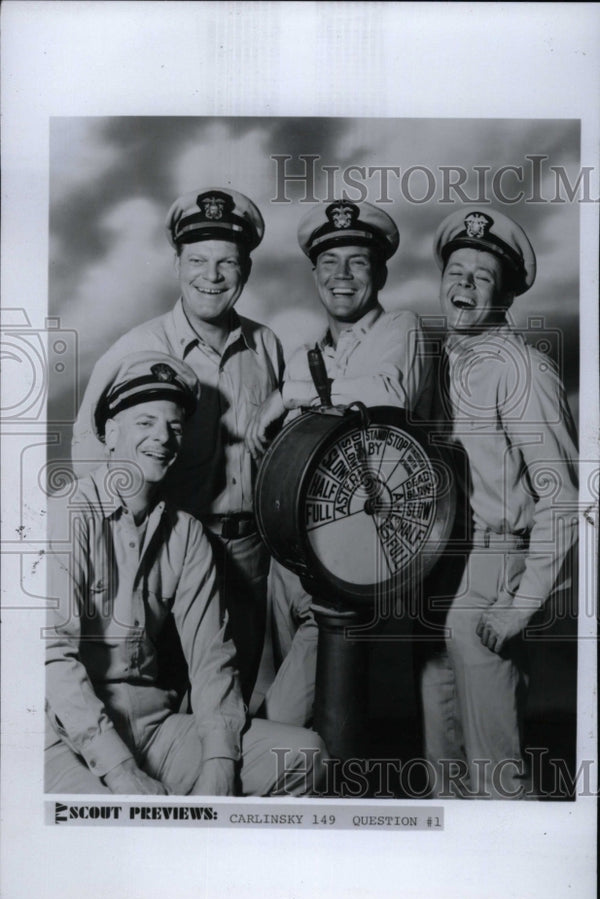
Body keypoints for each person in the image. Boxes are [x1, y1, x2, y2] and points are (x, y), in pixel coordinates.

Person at [45, 352, 326, 796]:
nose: (162, 437)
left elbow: (213, 660)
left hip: (155, 728)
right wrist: (120, 772)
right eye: (145, 423)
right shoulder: (67, 513)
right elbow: (52, 660)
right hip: (67, 736)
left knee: (302, 755)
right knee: (113, 821)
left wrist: (218, 764)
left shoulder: (187, 534)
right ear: (110, 431)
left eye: (175, 427)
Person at [71, 188, 284, 703]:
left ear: (246, 270)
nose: (211, 276)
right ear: (176, 264)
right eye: (197, 261)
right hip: (167, 553)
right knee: (165, 699)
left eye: (226, 262)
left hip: (251, 554)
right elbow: (88, 452)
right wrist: (128, 549)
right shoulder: (137, 349)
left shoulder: (266, 346)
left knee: (237, 700)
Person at [245, 199, 434, 727]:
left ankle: (319, 791)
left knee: (299, 712)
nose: (342, 276)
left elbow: (385, 393)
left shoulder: (401, 328)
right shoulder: (310, 354)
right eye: (330, 263)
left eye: (357, 261)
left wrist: (288, 398)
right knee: (272, 690)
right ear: (314, 273)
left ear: (380, 271)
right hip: (294, 548)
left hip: (357, 550)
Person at [417, 207, 578, 799]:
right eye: (454, 272)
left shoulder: (522, 369)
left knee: (496, 777)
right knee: (444, 776)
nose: (462, 286)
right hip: (437, 573)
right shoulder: (437, 364)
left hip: (493, 572)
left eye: (481, 277)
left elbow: (563, 496)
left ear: (505, 292)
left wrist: (522, 604)